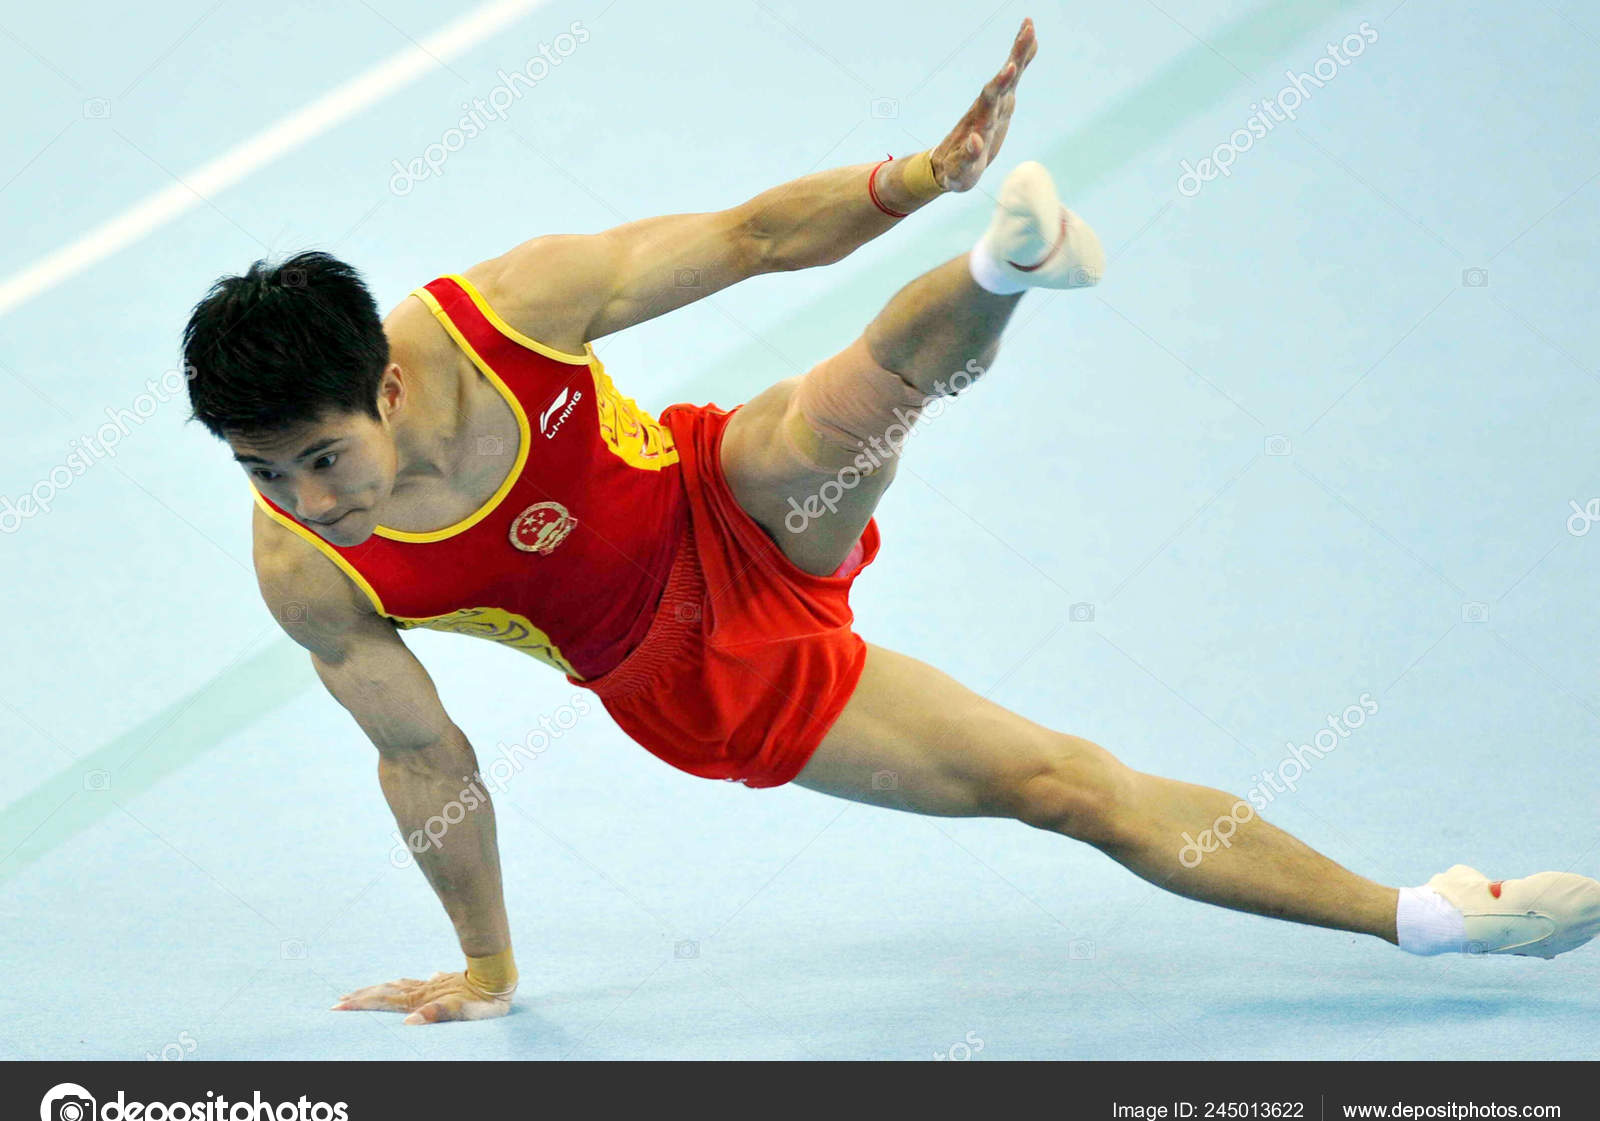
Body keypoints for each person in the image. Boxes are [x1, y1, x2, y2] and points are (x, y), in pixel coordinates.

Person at [182, 19, 1600, 1025]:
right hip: (695, 673)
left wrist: (918, 180)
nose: (312, 499)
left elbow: (746, 238)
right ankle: (1435, 915)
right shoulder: (305, 570)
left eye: (319, 456)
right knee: (1066, 785)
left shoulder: (508, 312)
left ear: (383, 379)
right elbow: (427, 760)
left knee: (847, 409)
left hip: (712, 491)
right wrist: (488, 966)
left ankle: (1005, 257)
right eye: (264, 474)